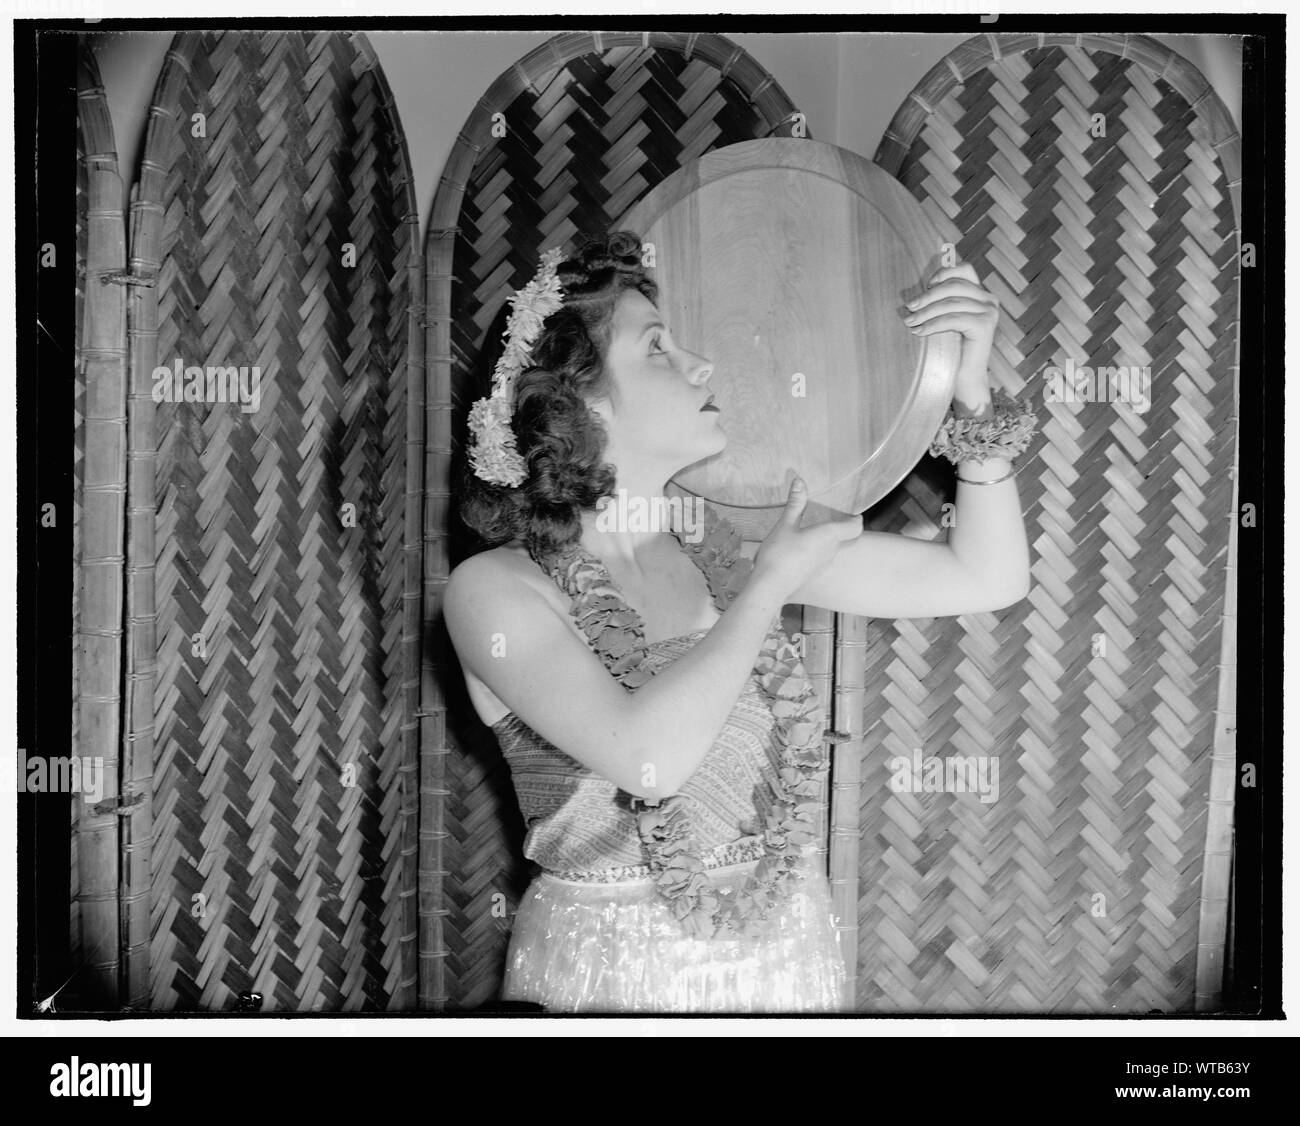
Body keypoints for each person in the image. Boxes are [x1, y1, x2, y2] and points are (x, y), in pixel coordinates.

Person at [445, 230, 1034, 1013]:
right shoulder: (492, 589)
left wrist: (971, 392)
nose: (701, 366)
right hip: (610, 976)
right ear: (573, 398)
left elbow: (985, 575)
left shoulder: (732, 546)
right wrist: (768, 589)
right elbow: (649, 761)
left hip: (784, 953)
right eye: (657, 348)